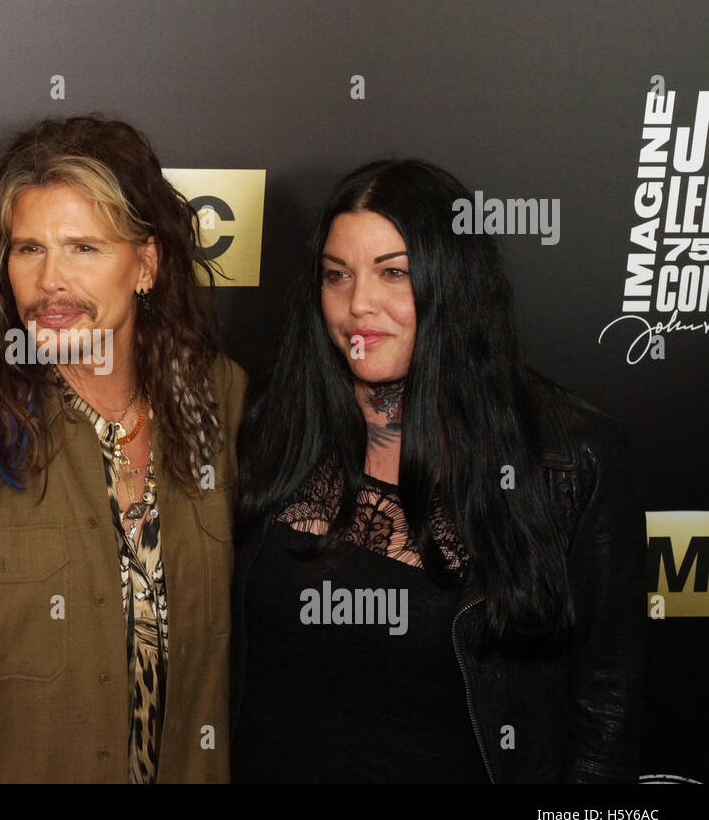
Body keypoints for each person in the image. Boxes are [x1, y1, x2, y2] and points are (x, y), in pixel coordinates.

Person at [232, 158, 645, 783]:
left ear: (454, 283)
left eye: (393, 273)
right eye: (336, 275)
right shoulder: (275, 421)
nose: (358, 305)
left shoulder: (568, 459)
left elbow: (607, 713)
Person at [0, 115, 244, 783]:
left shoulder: (223, 403)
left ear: (145, 264)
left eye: (83, 248)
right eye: (28, 250)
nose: (50, 282)